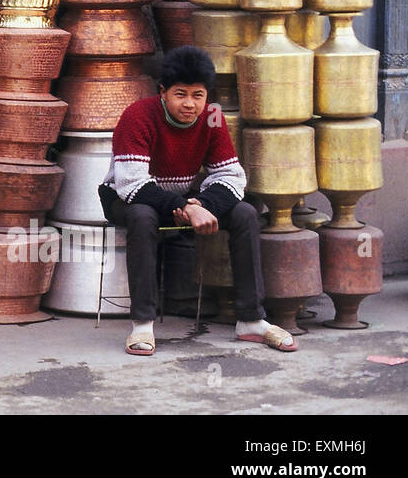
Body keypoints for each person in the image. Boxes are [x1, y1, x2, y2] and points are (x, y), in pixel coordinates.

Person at [98, 45, 297, 357]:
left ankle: (251, 319)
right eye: (180, 94)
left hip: (184, 199)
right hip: (128, 197)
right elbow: (131, 184)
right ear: (163, 92)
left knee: (245, 213)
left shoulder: (212, 118)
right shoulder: (138, 115)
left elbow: (232, 177)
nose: (189, 104)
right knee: (142, 215)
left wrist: (201, 206)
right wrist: (188, 208)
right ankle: (142, 323)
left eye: (198, 95)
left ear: (207, 96)